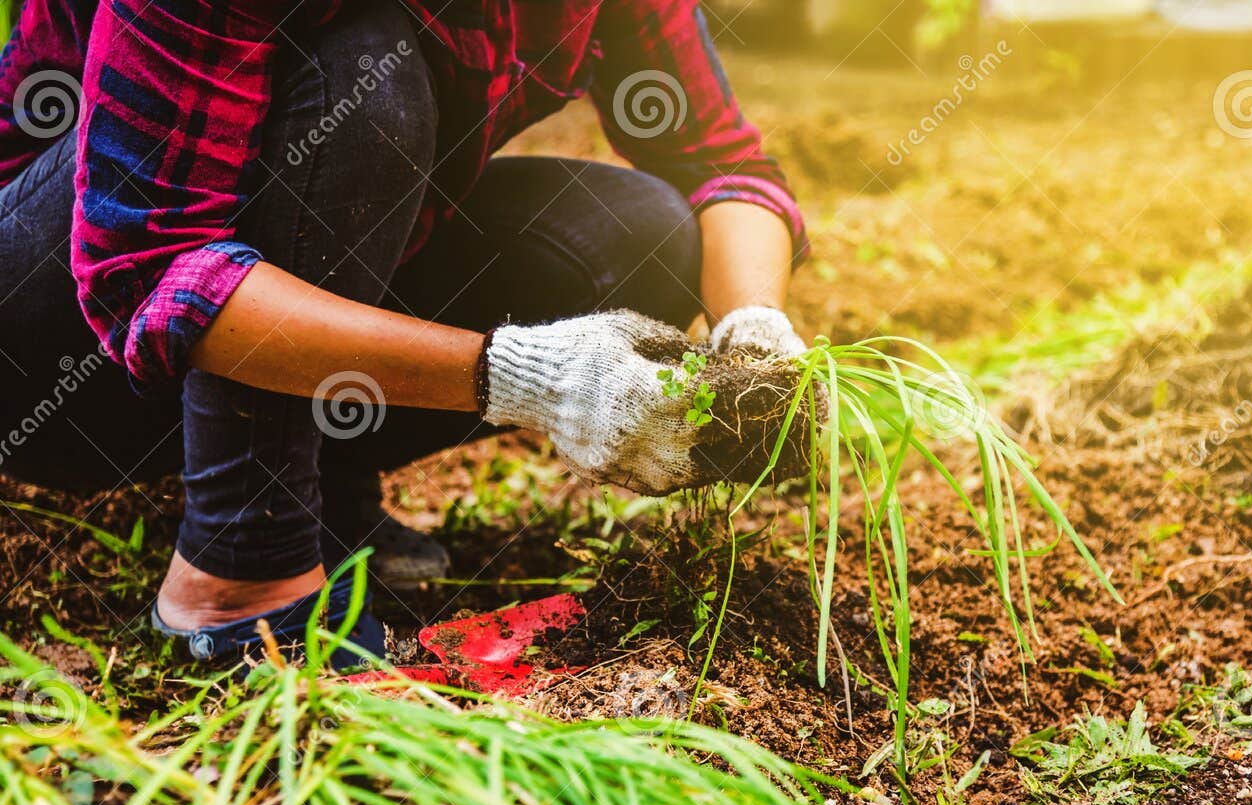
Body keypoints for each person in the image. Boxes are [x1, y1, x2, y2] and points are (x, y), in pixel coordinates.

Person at [0, 0, 807, 667]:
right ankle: (241, 568)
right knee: (353, 64)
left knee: (636, 229)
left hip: (234, 301)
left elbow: (718, 164)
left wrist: (753, 327)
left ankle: (324, 489)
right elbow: (147, 266)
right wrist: (525, 377)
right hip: (49, 352)